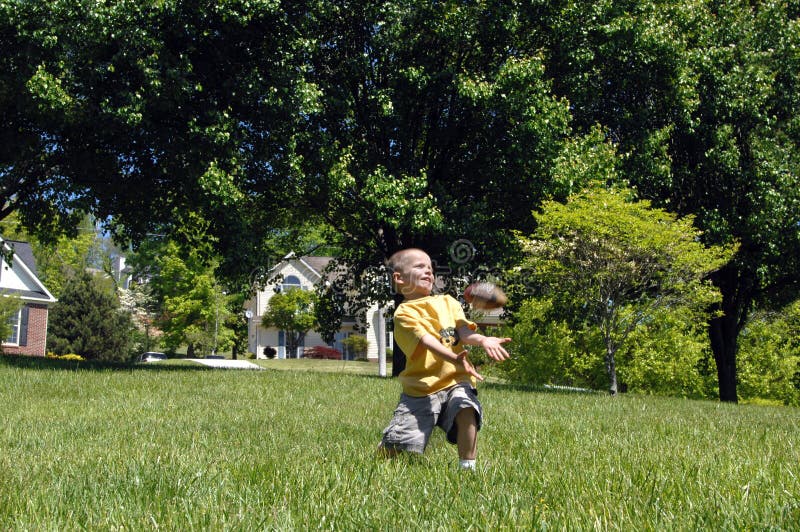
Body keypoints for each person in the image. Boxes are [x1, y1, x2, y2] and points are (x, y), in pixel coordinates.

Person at [378, 248, 511, 470]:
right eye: (420, 267)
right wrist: (454, 357)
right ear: (399, 278)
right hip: (421, 388)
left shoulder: (449, 302)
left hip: (456, 379)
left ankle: (467, 468)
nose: (428, 271)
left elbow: (464, 333)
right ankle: (384, 450)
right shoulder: (404, 313)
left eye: (430, 268)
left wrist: (484, 341)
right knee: (400, 445)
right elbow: (427, 341)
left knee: (467, 407)